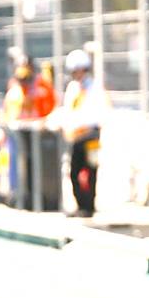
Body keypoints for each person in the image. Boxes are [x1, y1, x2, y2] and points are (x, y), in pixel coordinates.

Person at [58, 49, 109, 217]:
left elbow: (97, 112)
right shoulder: (73, 88)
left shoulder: (94, 88)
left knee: (91, 169)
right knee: (74, 171)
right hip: (75, 135)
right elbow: (69, 111)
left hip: (91, 134)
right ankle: (80, 204)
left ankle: (90, 206)